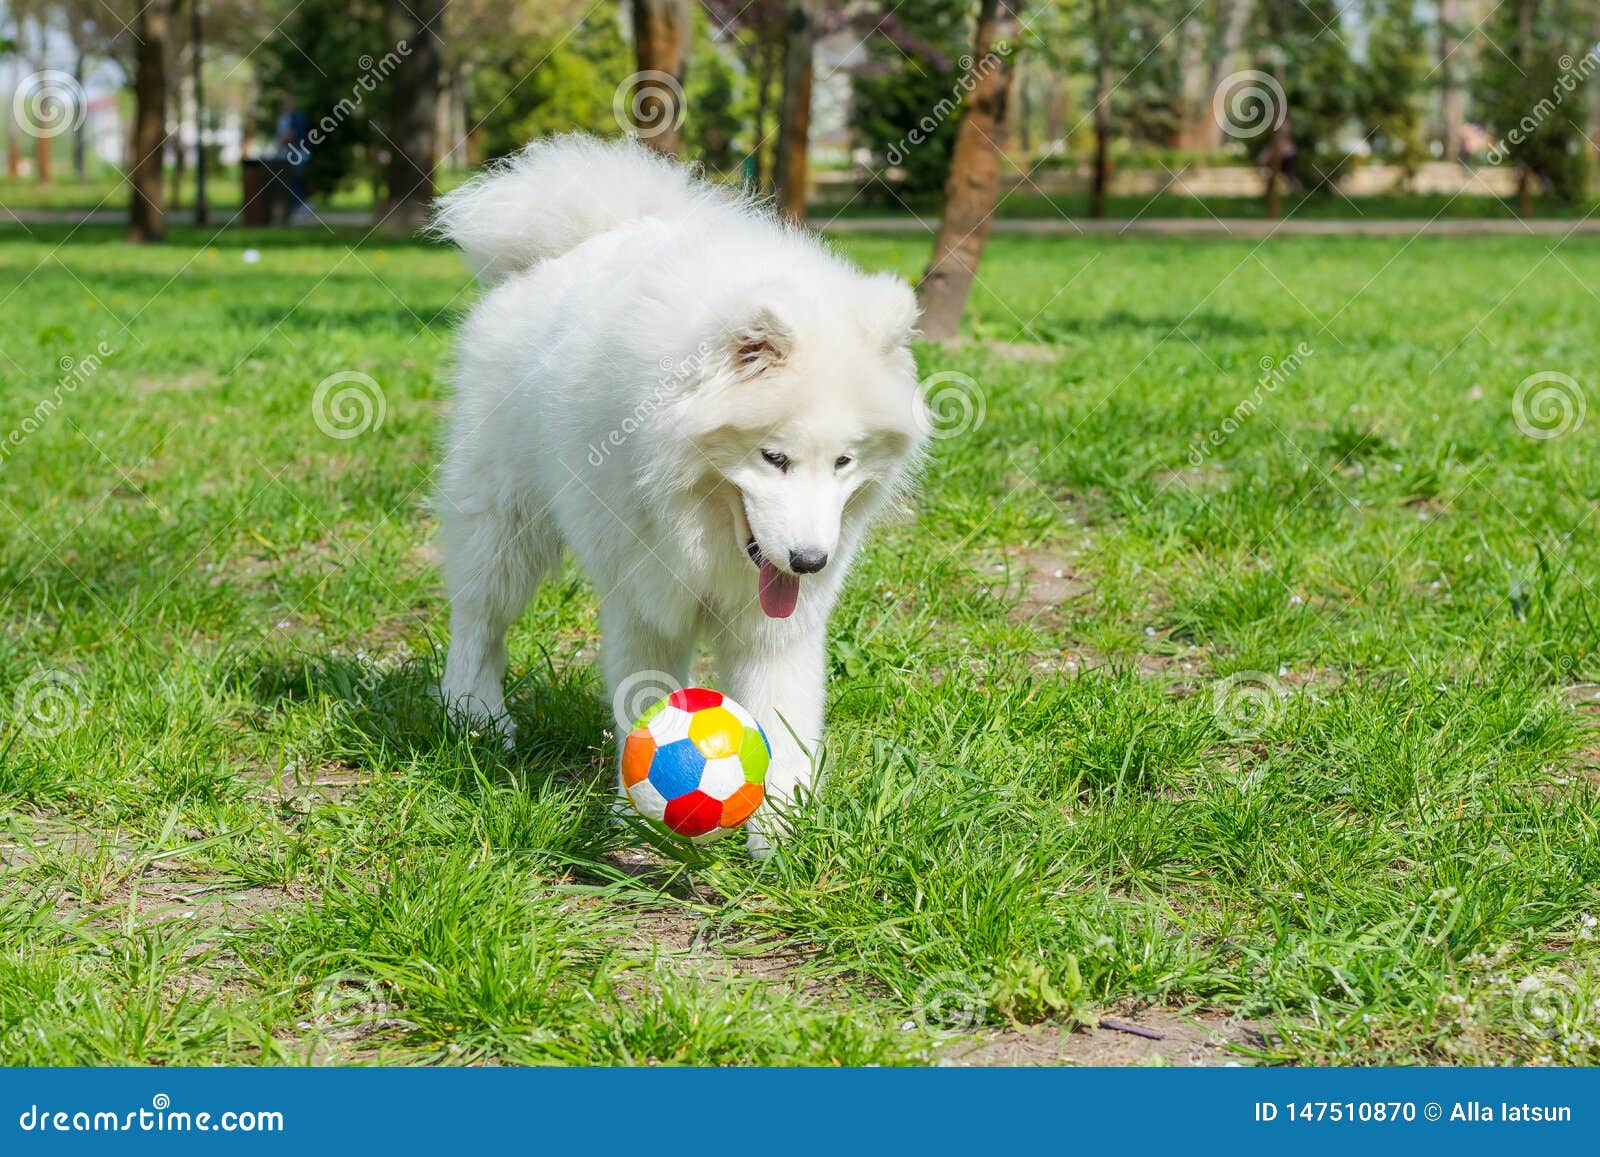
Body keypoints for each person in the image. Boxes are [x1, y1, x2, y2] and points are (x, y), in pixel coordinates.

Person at [275, 95, 312, 221]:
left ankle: (300, 206)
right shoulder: (285, 117)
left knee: (293, 180)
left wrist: (283, 140)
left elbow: (291, 135)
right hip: (289, 153)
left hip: (297, 153)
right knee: (292, 180)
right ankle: (298, 206)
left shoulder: (296, 117)